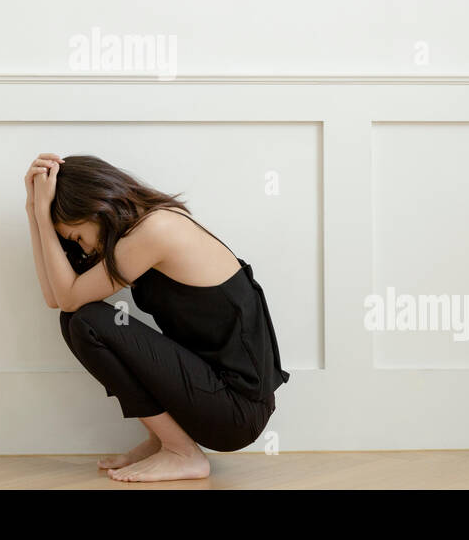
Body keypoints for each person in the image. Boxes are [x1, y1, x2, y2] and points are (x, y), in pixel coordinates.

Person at [25, 153, 289, 482]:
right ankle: (165, 442)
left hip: (238, 411)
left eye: (77, 237)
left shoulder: (156, 231)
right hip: (218, 399)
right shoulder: (141, 230)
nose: (86, 250)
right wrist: (34, 214)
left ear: (94, 206)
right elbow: (57, 298)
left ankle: (181, 452)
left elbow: (66, 297)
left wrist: (39, 211)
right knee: (76, 318)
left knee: (86, 321)